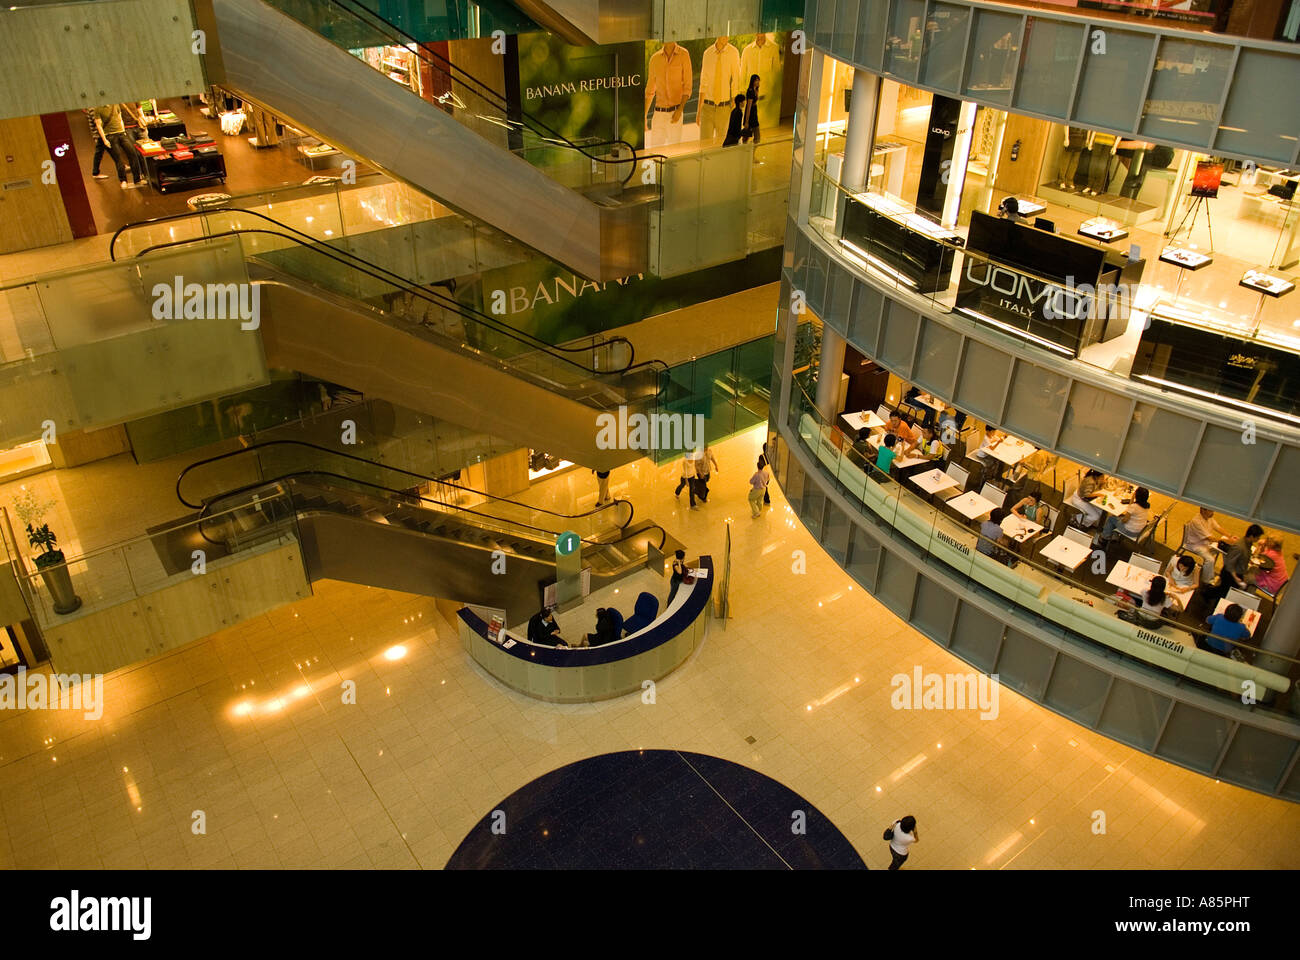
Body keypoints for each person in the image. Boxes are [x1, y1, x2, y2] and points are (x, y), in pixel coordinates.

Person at [645, 41, 693, 148]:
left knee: (674, 153)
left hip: (675, 113)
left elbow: (687, 86)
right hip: (659, 114)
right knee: (655, 152)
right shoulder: (655, 59)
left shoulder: (684, 55)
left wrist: (680, 110)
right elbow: (650, 91)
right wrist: (644, 115)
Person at [698, 36, 741, 145]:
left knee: (722, 146)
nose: (726, 37)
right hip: (707, 108)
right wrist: (699, 110)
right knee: (705, 146)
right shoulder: (707, 53)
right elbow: (703, 82)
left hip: (724, 108)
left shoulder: (733, 52)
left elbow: (736, 78)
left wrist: (734, 102)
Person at [91, 103, 141, 189]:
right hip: (109, 135)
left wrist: (123, 130)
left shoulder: (115, 105)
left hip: (121, 133)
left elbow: (120, 118)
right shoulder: (98, 109)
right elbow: (99, 125)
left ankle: (137, 179)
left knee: (132, 153)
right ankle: (123, 180)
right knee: (118, 159)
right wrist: (104, 140)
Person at [1210, 524, 1263, 602]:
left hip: (1237, 573)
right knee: (1223, 594)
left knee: (1221, 592)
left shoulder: (1247, 544)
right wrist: (1236, 578)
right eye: (1257, 537)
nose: (1258, 539)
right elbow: (1230, 564)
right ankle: (1209, 598)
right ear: (1251, 536)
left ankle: (1207, 595)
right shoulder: (1239, 547)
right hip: (1230, 575)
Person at [1183, 507, 1236, 585]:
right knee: (1210, 560)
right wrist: (1226, 540)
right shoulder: (1196, 521)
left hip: (1205, 543)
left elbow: (1218, 528)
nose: (1213, 512)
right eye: (1210, 510)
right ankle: (1208, 581)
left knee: (1224, 551)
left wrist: (1230, 536)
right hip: (1195, 545)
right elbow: (1210, 538)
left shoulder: (1209, 518)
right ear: (1203, 510)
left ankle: (1224, 575)